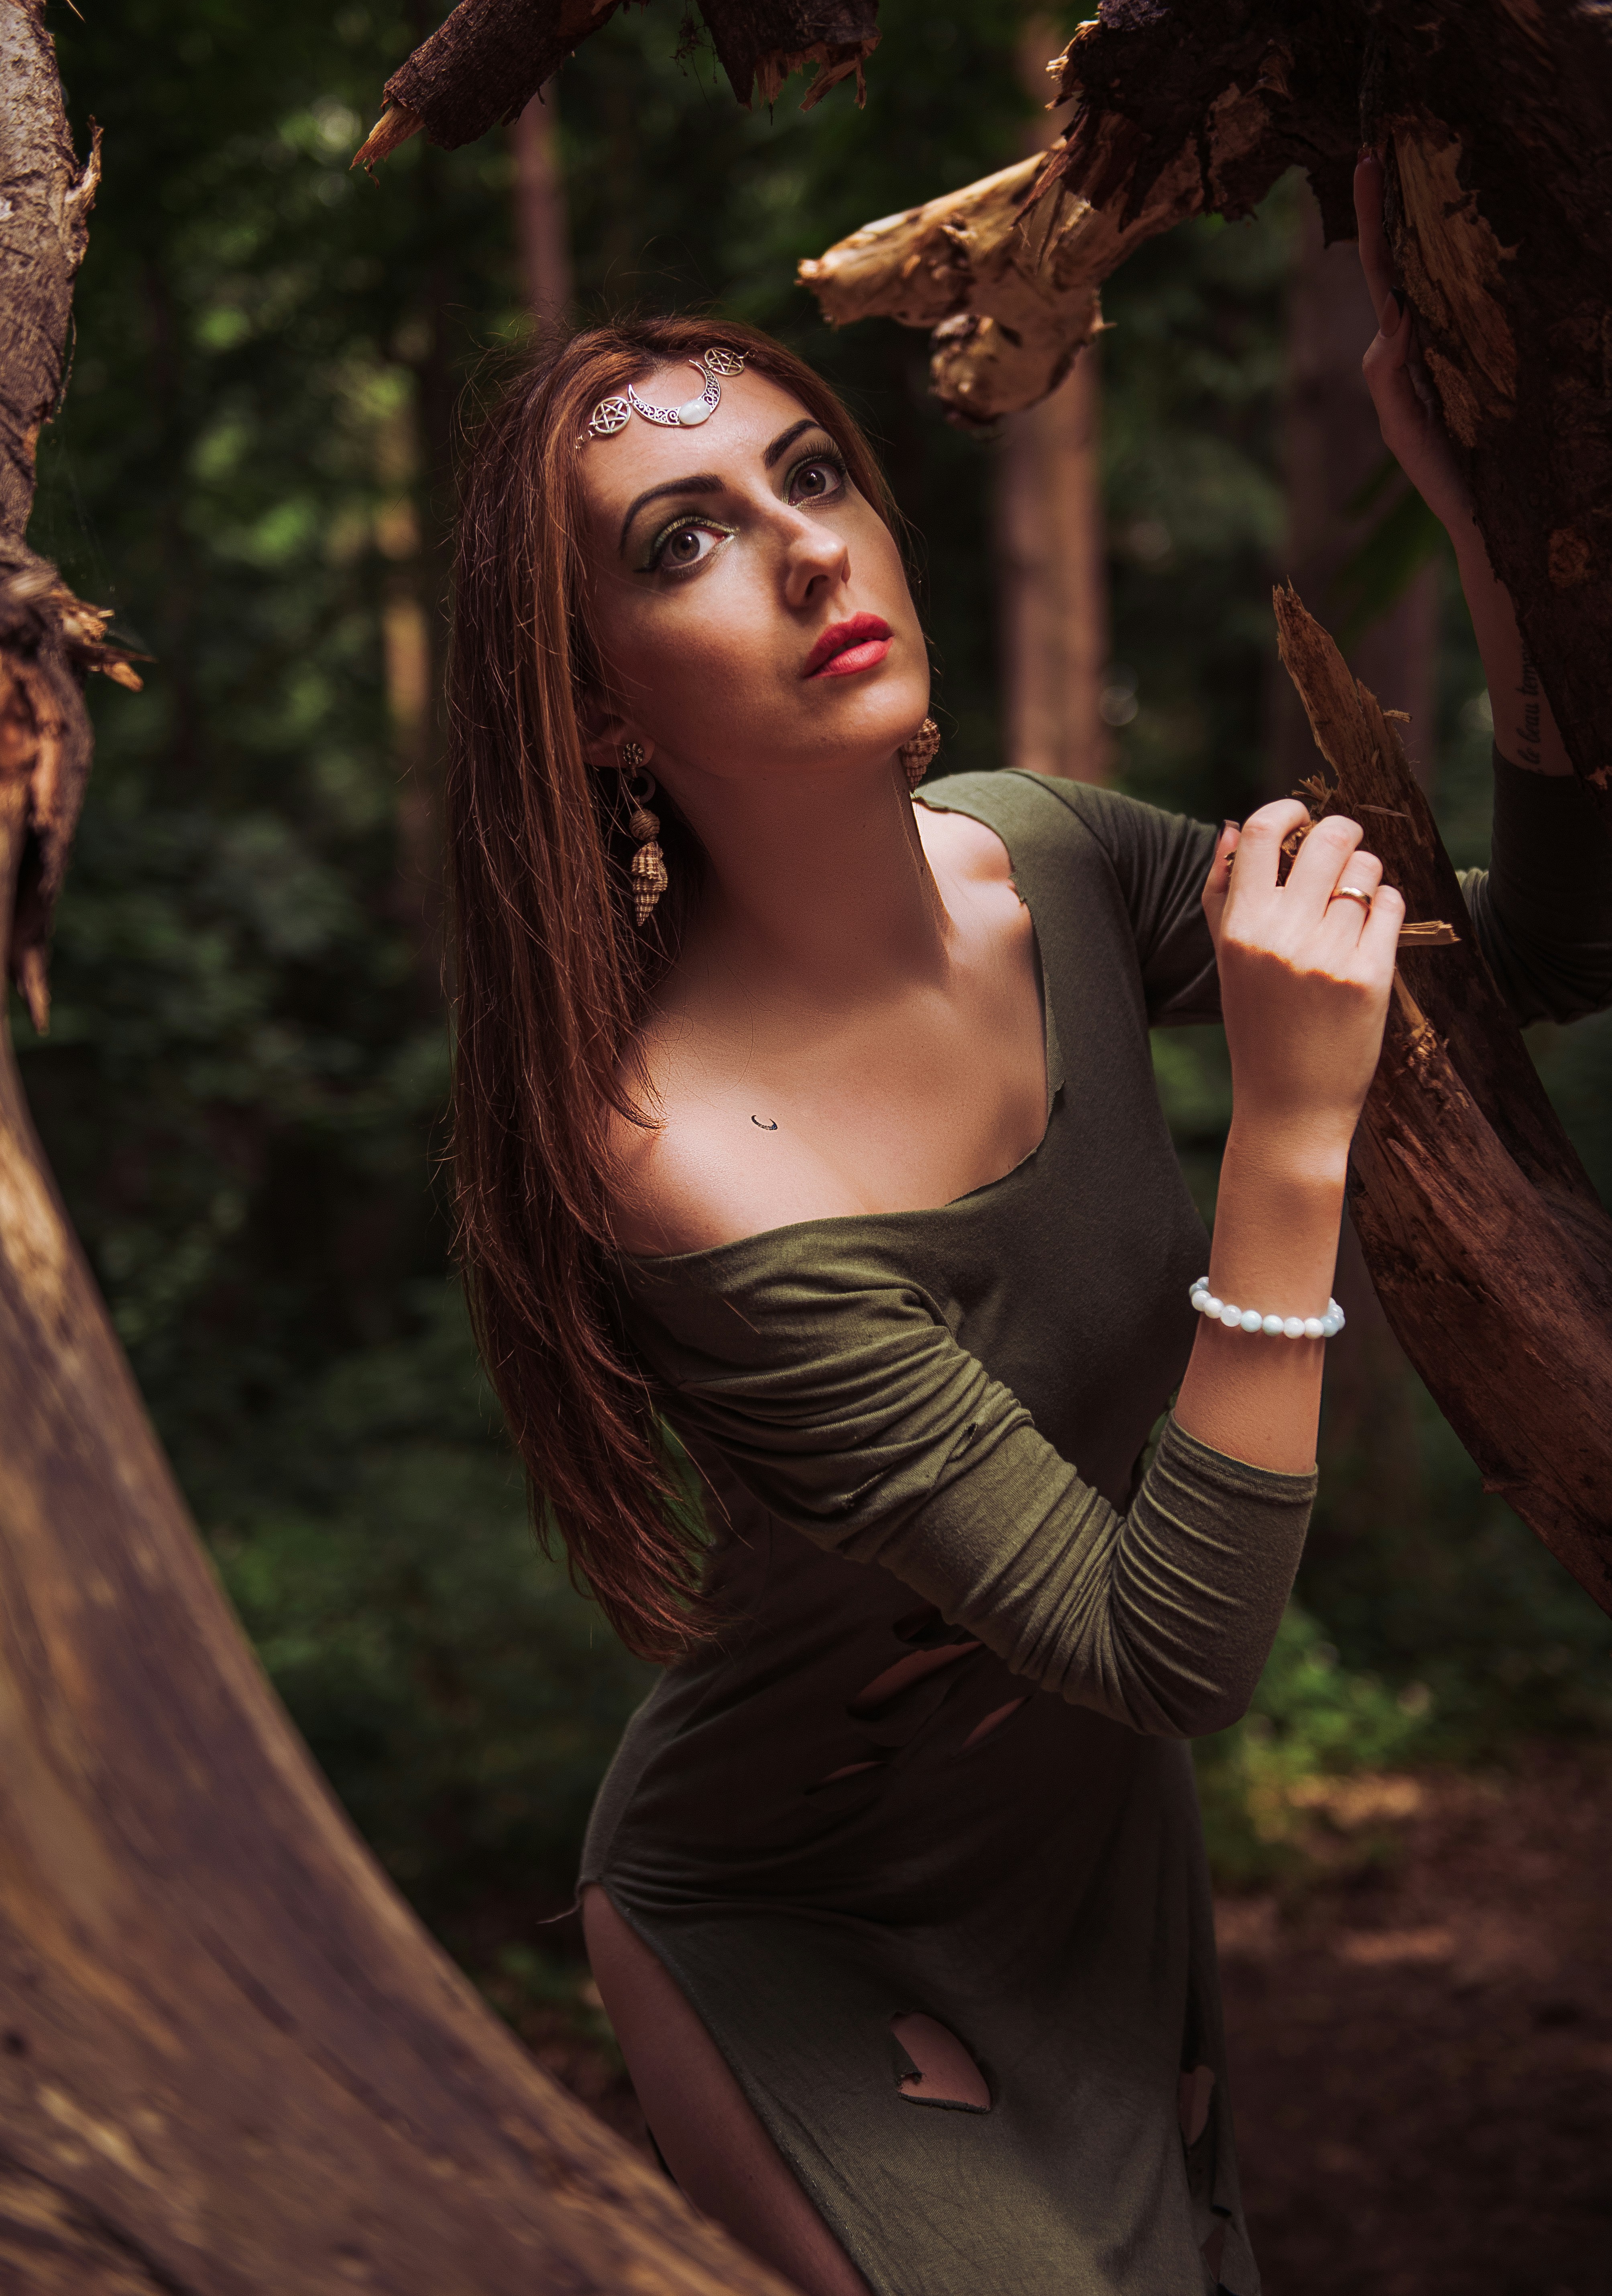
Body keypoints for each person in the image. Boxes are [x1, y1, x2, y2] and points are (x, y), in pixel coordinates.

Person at [443, 155, 1612, 2296]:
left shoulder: (1042, 856)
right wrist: (1283, 1136)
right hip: (797, 1908)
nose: (804, 545)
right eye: (686, 540)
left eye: (816, 475)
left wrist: (1496, 535)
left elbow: (1529, 949)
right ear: (597, 709)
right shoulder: (686, 1160)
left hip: (1087, 1869)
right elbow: (1169, 1645)